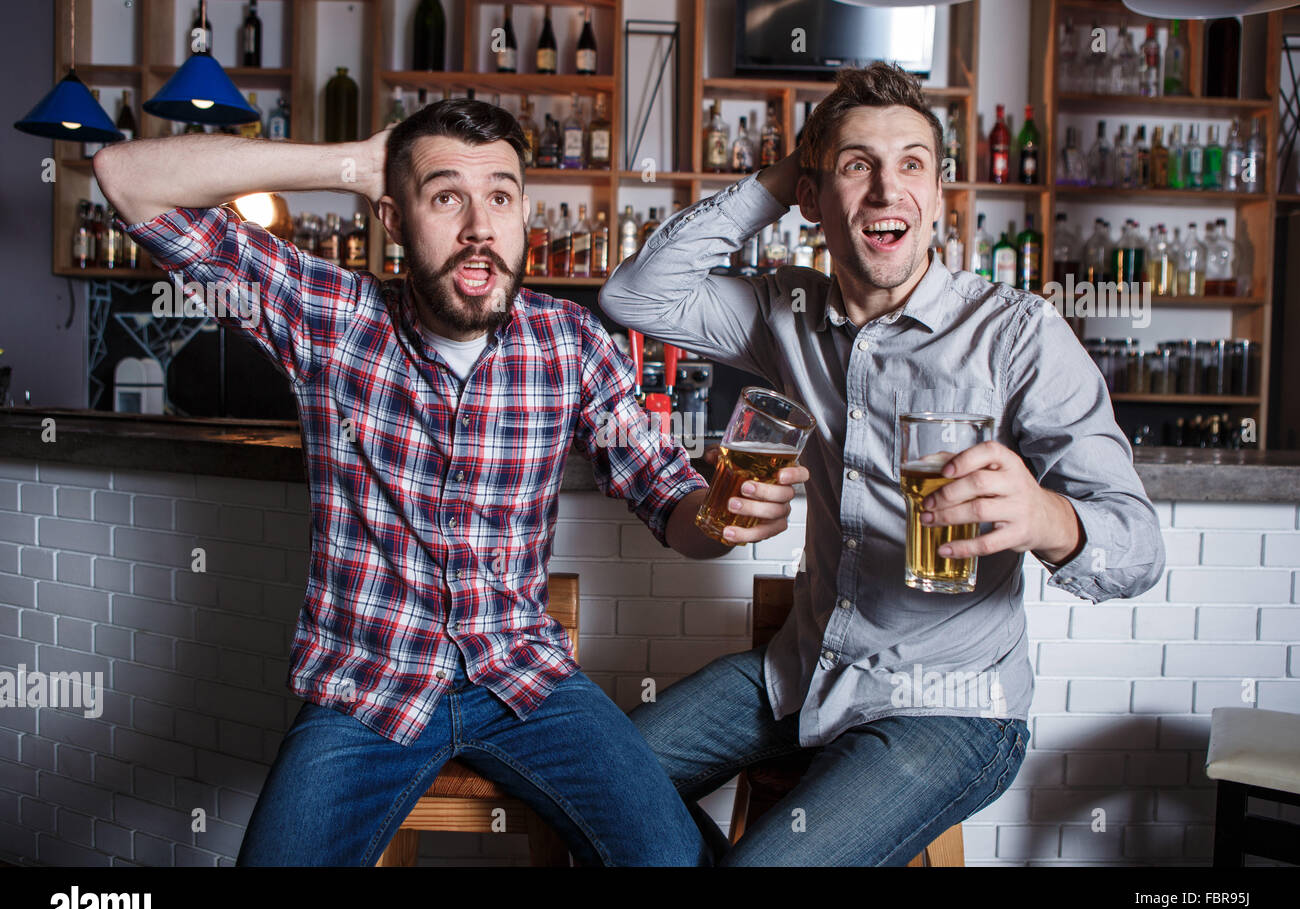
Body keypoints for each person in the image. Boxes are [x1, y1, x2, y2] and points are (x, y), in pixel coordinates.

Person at [93, 98, 805, 866]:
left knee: (671, 858)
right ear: (394, 219)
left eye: (500, 196)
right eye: (445, 197)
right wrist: (354, 164)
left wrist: (724, 518)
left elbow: (672, 505)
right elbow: (125, 177)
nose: (478, 227)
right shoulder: (332, 317)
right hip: (366, 689)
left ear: (525, 212)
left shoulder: (571, 344)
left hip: (523, 681)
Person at [598, 62, 1166, 866]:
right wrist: (786, 173)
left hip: (950, 711)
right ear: (812, 197)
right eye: (858, 165)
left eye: (912, 166)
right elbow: (636, 297)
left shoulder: (1018, 334)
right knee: (593, 787)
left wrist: (1047, 518)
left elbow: (1138, 549)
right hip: (798, 677)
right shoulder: (784, 311)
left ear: (938, 196)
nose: (886, 190)